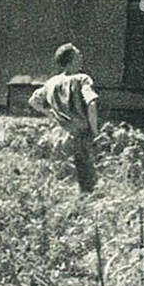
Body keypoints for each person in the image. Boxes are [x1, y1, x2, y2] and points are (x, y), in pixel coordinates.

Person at [28, 43, 100, 193]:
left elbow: (33, 101)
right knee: (86, 182)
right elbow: (91, 103)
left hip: (59, 136)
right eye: (78, 54)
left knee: (62, 180)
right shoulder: (82, 79)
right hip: (80, 136)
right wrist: (94, 130)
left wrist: (50, 113)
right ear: (71, 60)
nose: (82, 57)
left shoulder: (51, 82)